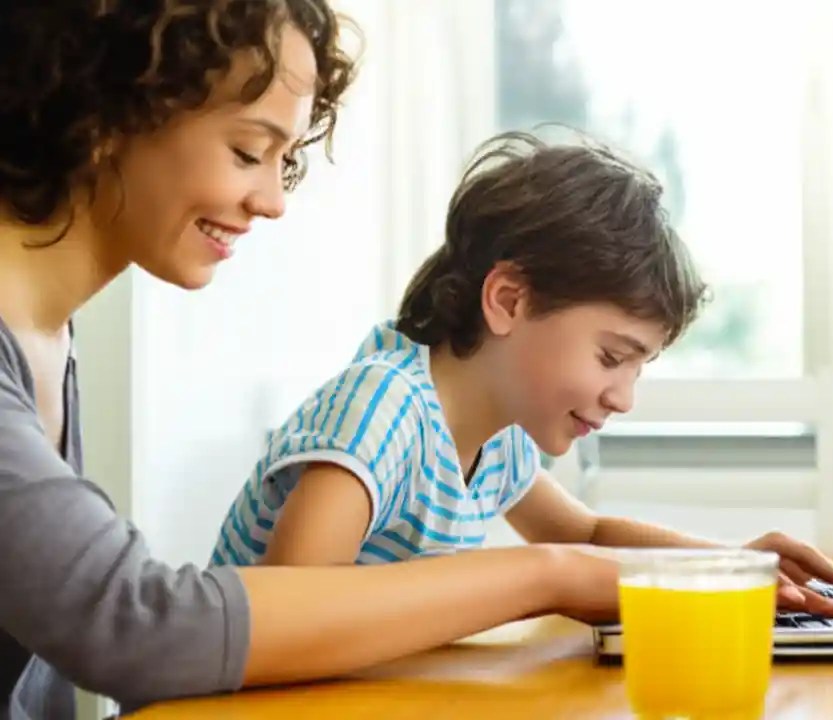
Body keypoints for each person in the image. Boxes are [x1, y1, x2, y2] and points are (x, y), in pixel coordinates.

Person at [0, 2, 621, 718]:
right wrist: (546, 575)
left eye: (283, 160)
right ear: (105, 111)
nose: (271, 201)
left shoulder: (46, 334)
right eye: (246, 151)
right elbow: (138, 625)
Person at [208, 130, 833, 639]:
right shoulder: (381, 408)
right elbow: (289, 611)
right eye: (610, 357)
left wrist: (731, 566)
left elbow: (585, 536)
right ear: (509, 301)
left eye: (637, 368)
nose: (623, 397)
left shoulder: (498, 436)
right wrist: (533, 582)